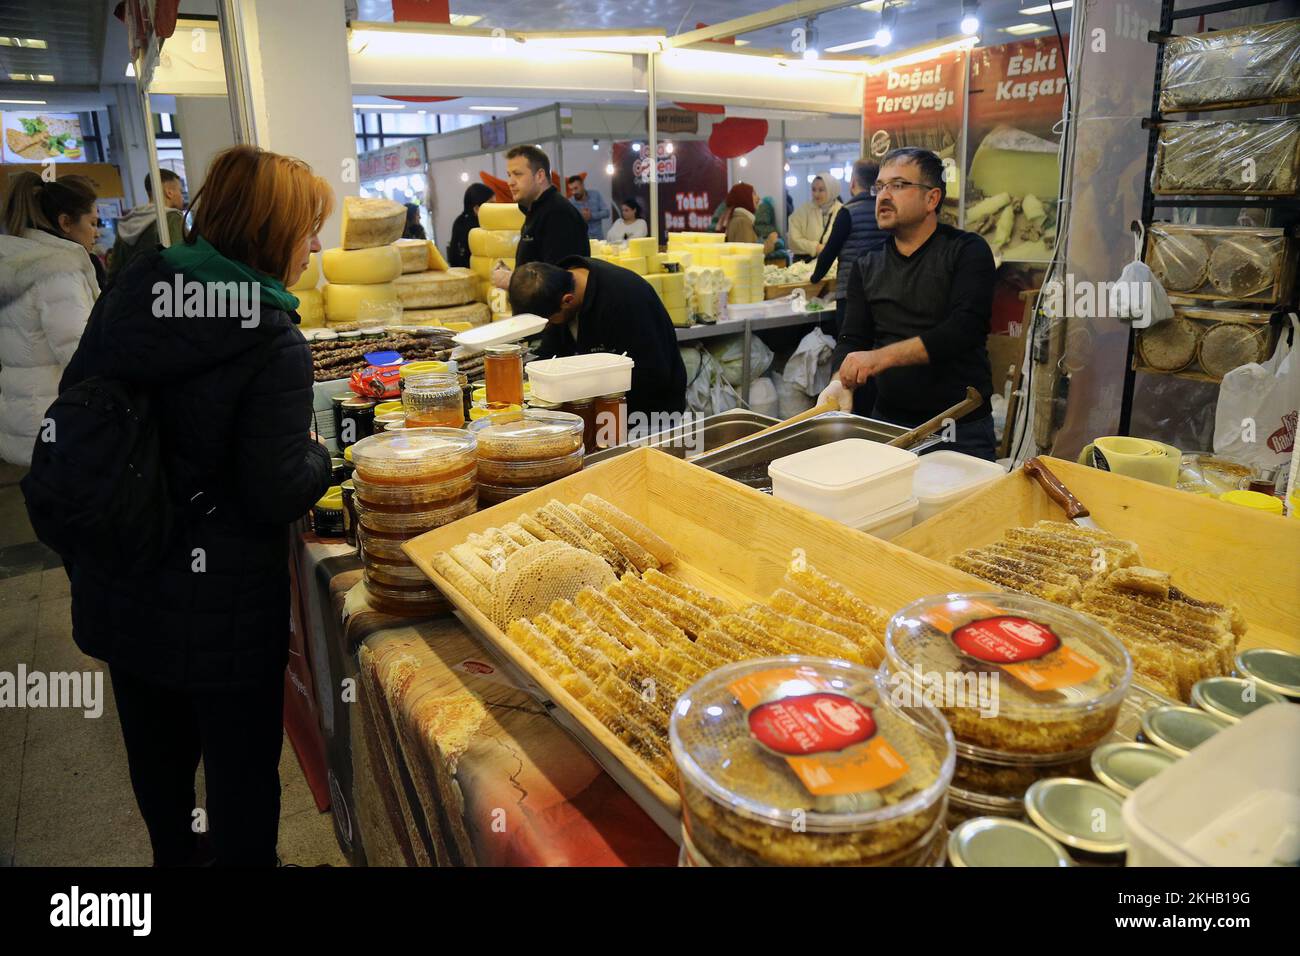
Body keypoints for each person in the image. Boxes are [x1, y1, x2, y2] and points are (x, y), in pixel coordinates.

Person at [60, 144, 334, 866]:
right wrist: (323, 453)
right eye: (308, 227)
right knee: (240, 777)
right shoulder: (273, 340)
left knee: (161, 773)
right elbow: (275, 486)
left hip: (121, 576)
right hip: (222, 608)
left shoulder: (135, 290)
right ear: (273, 231)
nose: (314, 245)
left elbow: (84, 414)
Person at [819, 147, 997, 461]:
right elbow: (853, 337)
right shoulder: (867, 264)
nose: (883, 195)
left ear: (932, 198)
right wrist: (839, 382)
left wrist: (878, 359)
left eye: (898, 185)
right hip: (890, 423)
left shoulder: (966, 251)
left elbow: (963, 330)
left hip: (959, 427)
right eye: (880, 186)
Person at [0, 173, 100, 467]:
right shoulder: (58, 271)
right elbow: (79, 353)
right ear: (65, 222)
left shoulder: (13, 262)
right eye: (92, 223)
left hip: (23, 416)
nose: (97, 233)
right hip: (59, 417)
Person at [509, 258, 686, 418]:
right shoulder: (556, 286)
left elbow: (653, 373)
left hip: (649, 416)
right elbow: (552, 353)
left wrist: (581, 388)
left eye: (549, 322)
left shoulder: (626, 299)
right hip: (600, 415)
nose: (549, 327)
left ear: (567, 300)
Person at [494, 145, 589, 288]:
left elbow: (559, 282)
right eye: (509, 175)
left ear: (539, 176)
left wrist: (512, 281)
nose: (510, 182)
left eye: (517, 174)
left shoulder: (558, 214)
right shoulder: (535, 211)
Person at [811, 159, 888, 302]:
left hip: (851, 290)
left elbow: (830, 251)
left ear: (853, 183)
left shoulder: (847, 212)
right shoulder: (888, 210)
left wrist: (815, 278)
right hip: (882, 290)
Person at [108, 169, 186, 286]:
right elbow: (180, 262)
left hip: (131, 295)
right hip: (162, 294)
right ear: (169, 192)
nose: (182, 196)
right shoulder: (171, 218)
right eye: (180, 191)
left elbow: (114, 271)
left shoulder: (128, 221)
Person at [788, 171, 843, 262]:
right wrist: (815, 247)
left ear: (831, 190)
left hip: (832, 265)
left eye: (821, 190)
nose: (816, 194)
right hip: (803, 266)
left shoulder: (841, 211)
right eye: (813, 189)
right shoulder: (802, 211)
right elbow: (793, 240)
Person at [447, 182, 493, 269]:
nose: (495, 208)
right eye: (491, 204)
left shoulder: (460, 220)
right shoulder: (471, 227)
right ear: (476, 209)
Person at [567, 174, 609, 242]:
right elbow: (568, 222)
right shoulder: (570, 202)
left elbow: (607, 212)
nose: (574, 192)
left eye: (576, 188)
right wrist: (580, 217)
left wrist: (591, 215)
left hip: (598, 239)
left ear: (582, 185)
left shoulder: (595, 195)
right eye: (571, 189)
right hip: (581, 240)